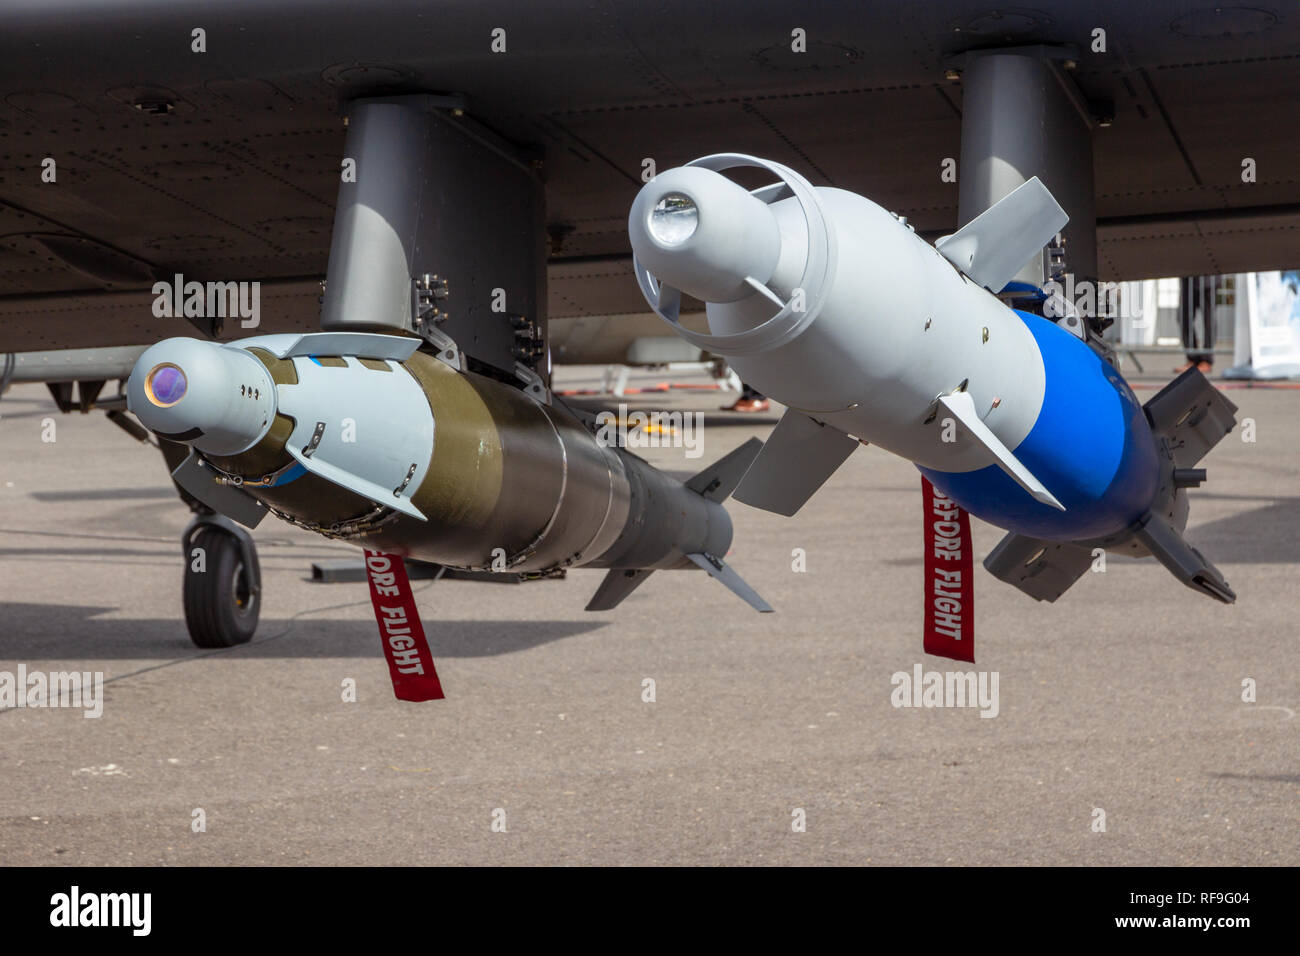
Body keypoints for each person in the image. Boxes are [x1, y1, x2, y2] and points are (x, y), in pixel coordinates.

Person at [1175, 275, 1215, 374]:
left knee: (1209, 319)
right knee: (1183, 318)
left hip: (1209, 278)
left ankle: (1206, 359)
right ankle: (1192, 358)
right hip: (1188, 278)